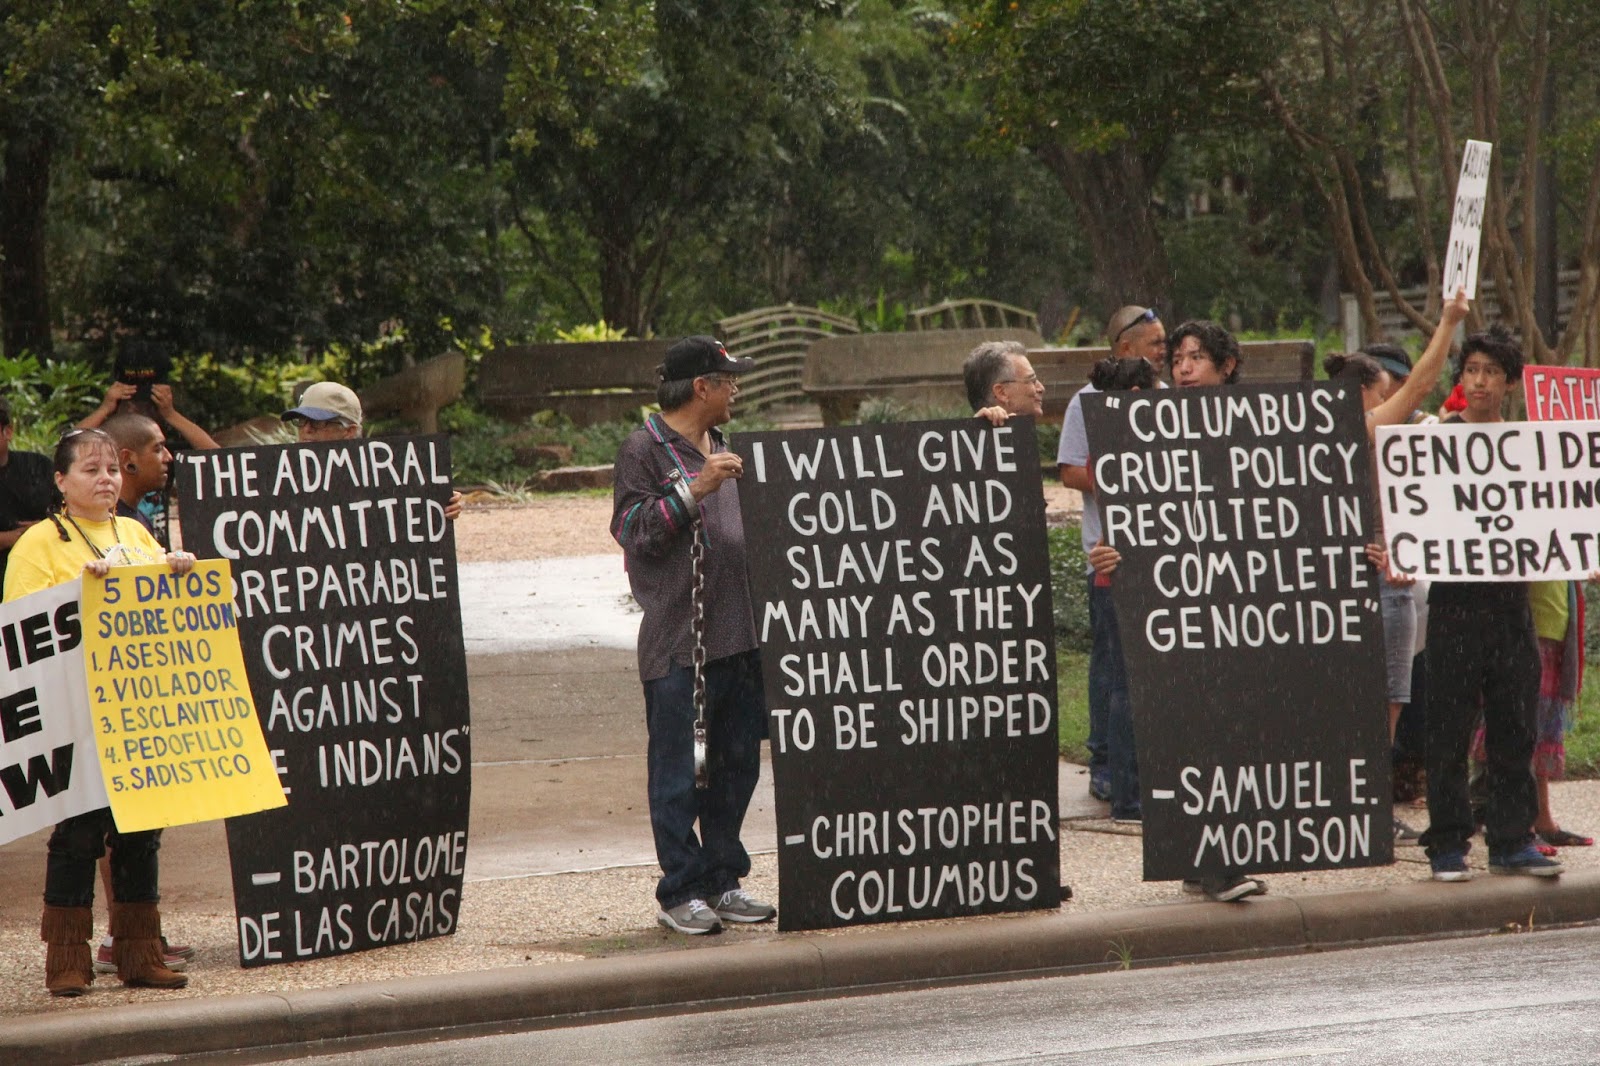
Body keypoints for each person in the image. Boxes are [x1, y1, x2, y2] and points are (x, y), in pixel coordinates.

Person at [7, 428, 199, 997]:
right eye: (91, 471)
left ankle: (141, 951)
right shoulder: (37, 544)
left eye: (113, 469)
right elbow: (23, 633)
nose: (106, 479)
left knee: (141, 831)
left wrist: (178, 571)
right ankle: (67, 960)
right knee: (78, 834)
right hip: (76, 715)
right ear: (61, 482)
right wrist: (77, 593)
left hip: (138, 715)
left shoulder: (137, 533)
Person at [610, 336, 775, 935]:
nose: (737, 389)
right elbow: (631, 530)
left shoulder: (724, 444)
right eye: (729, 380)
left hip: (741, 640)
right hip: (681, 644)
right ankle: (680, 888)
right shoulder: (644, 450)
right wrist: (695, 488)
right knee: (679, 770)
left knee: (736, 766)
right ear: (701, 387)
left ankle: (722, 877)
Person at [1325, 288, 1472, 845]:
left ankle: (1355, 804)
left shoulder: (1316, 438)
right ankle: (1369, 810)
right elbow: (1422, 383)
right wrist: (1449, 321)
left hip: (1358, 579)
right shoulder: (1356, 429)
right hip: (1379, 585)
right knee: (1385, 701)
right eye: (1383, 398)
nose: (1396, 411)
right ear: (1364, 395)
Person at [1422, 326, 1561, 881]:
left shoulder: (1527, 445)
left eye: (1490, 372)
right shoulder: (1432, 439)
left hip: (1510, 604)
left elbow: (1553, 513)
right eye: (1471, 370)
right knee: (1448, 730)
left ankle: (1511, 839)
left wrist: (1576, 548)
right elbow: (1413, 511)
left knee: (1514, 728)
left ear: (1508, 381)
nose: (1478, 381)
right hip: (1453, 603)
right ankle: (1448, 844)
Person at [1058, 307, 1168, 806]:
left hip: (1161, 561)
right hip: (1108, 559)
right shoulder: (1090, 402)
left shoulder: (1164, 399)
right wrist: (1127, 476)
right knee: (1113, 668)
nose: (1164, 352)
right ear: (1124, 348)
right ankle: (1108, 767)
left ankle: (1139, 771)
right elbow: (1069, 472)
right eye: (1155, 343)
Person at [283, 381, 464, 519]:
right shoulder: (278, 476)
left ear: (349, 430)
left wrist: (443, 502)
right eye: (301, 420)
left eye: (318, 422)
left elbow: (406, 515)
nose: (306, 429)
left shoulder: (383, 473)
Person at [0, 398, 56, 585]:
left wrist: (46, 528)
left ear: (7, 431)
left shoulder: (39, 466)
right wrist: (8, 538)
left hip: (43, 573)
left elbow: (72, 511)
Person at [967, 340, 1046, 425]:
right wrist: (975, 431)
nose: (1041, 388)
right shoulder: (973, 435)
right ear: (1002, 392)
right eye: (1032, 380)